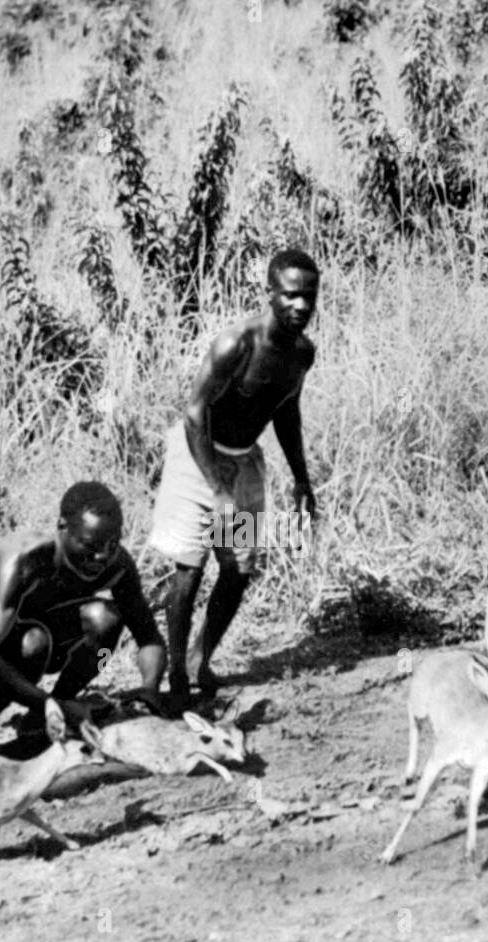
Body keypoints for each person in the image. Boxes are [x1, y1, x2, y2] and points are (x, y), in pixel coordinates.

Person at [148, 249, 319, 709]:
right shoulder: (236, 344)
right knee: (189, 570)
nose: (300, 306)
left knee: (237, 569)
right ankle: (177, 672)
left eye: (309, 297)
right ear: (270, 294)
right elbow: (193, 414)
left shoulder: (302, 354)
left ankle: (202, 658)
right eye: (290, 296)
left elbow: (286, 411)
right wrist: (218, 491)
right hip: (196, 456)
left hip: (242, 464)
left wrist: (302, 479)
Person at [0, 482, 167, 756]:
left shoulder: (118, 565)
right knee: (34, 643)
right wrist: (49, 703)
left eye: (112, 544)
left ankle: (51, 709)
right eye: (90, 545)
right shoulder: (23, 558)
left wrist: (149, 688)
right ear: (62, 527)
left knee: (107, 620)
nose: (102, 555)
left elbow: (148, 636)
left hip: (42, 630)